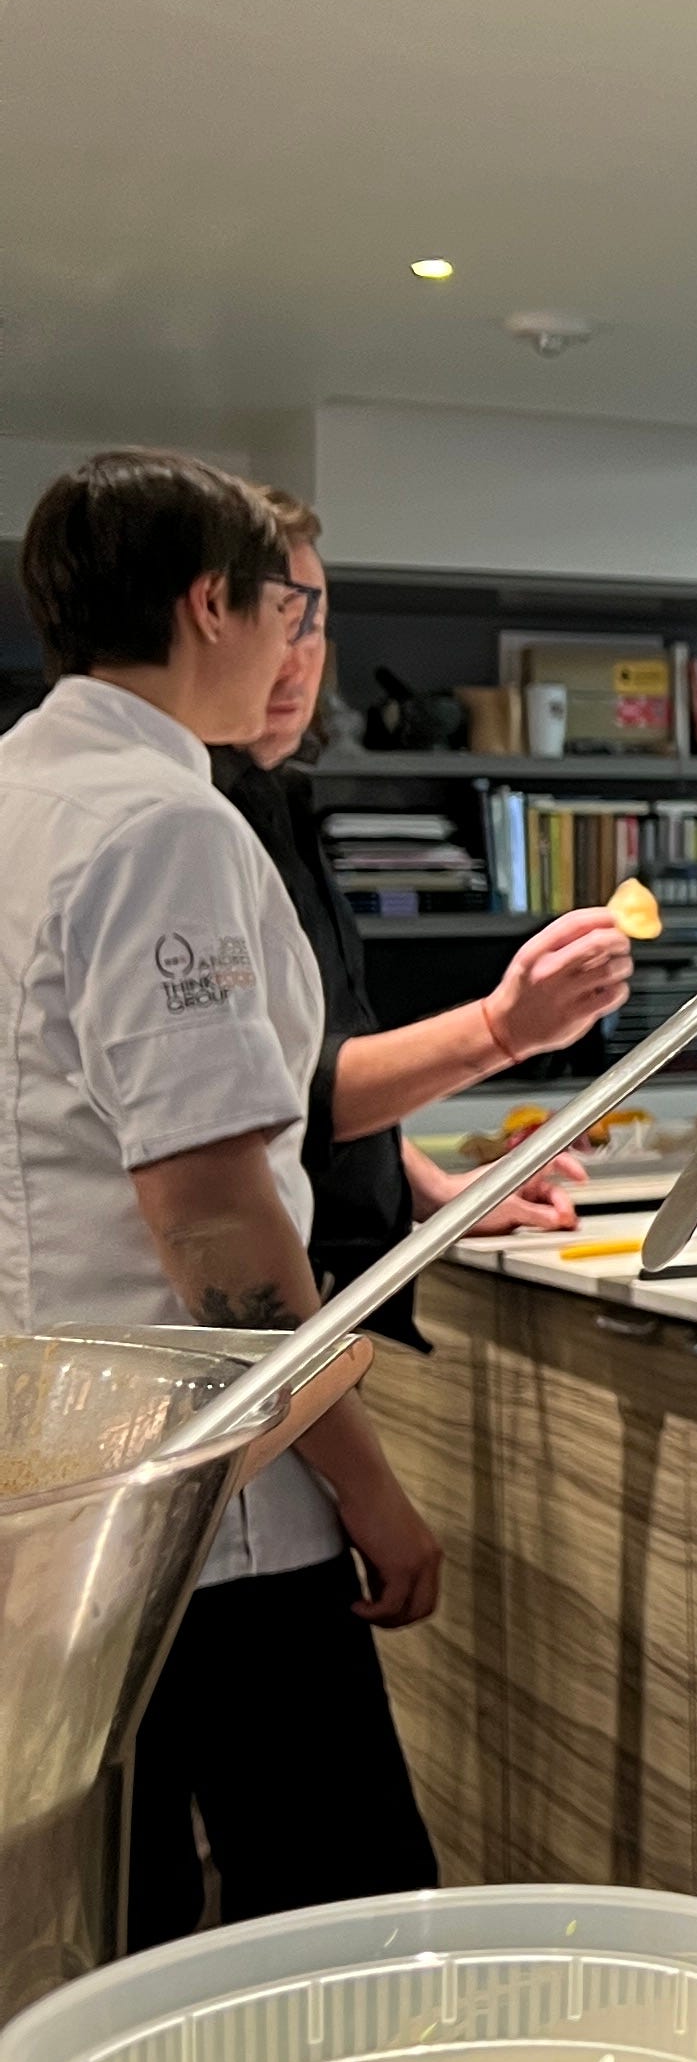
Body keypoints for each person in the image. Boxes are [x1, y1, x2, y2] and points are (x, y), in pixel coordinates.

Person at [0, 451, 447, 1943]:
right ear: (212, 605)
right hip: (209, 1516)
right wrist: (369, 1489)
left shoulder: (20, 792)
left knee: (112, 1931)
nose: (294, 648)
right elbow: (208, 1216)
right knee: (350, 1937)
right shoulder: (163, 828)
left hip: (51, 1490)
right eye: (287, 609)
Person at [210, 493, 635, 1337]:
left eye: (312, 626)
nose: (297, 661)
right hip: (255, 1305)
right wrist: (505, 1028)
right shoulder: (193, 823)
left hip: (333, 1287)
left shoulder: (274, 798)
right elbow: (287, 1097)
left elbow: (316, 1051)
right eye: (276, 623)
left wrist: (437, 1193)